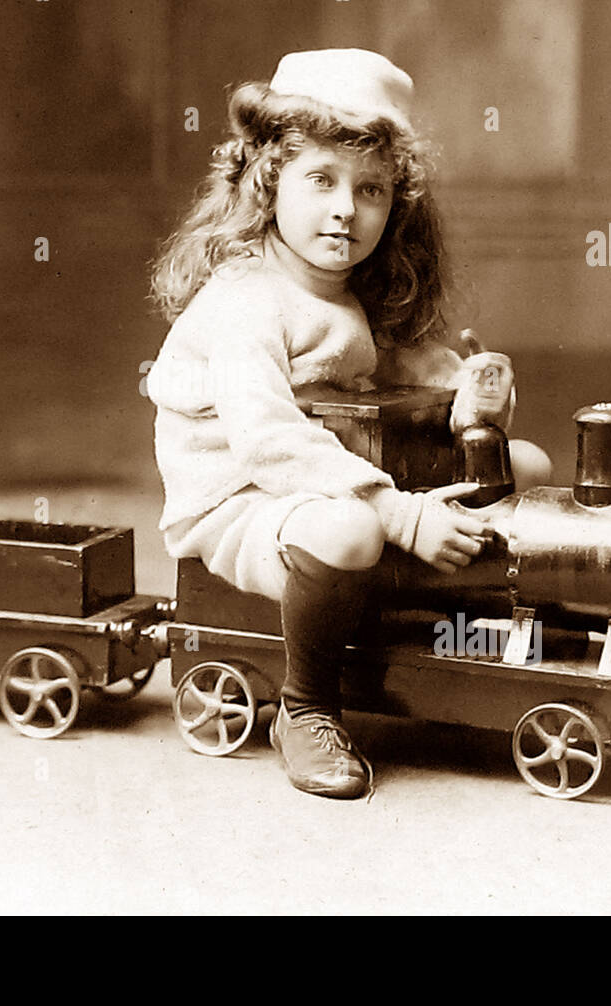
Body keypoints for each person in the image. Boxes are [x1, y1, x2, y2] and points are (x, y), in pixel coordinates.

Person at [146, 48, 550, 799]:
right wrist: (399, 510)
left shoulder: (338, 292)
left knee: (524, 466)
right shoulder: (245, 302)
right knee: (351, 532)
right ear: (268, 184)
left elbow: (383, 364)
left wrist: (468, 389)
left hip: (324, 478)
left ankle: (466, 643)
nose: (345, 209)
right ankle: (306, 707)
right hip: (238, 502)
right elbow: (271, 441)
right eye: (321, 181)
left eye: (371, 189)